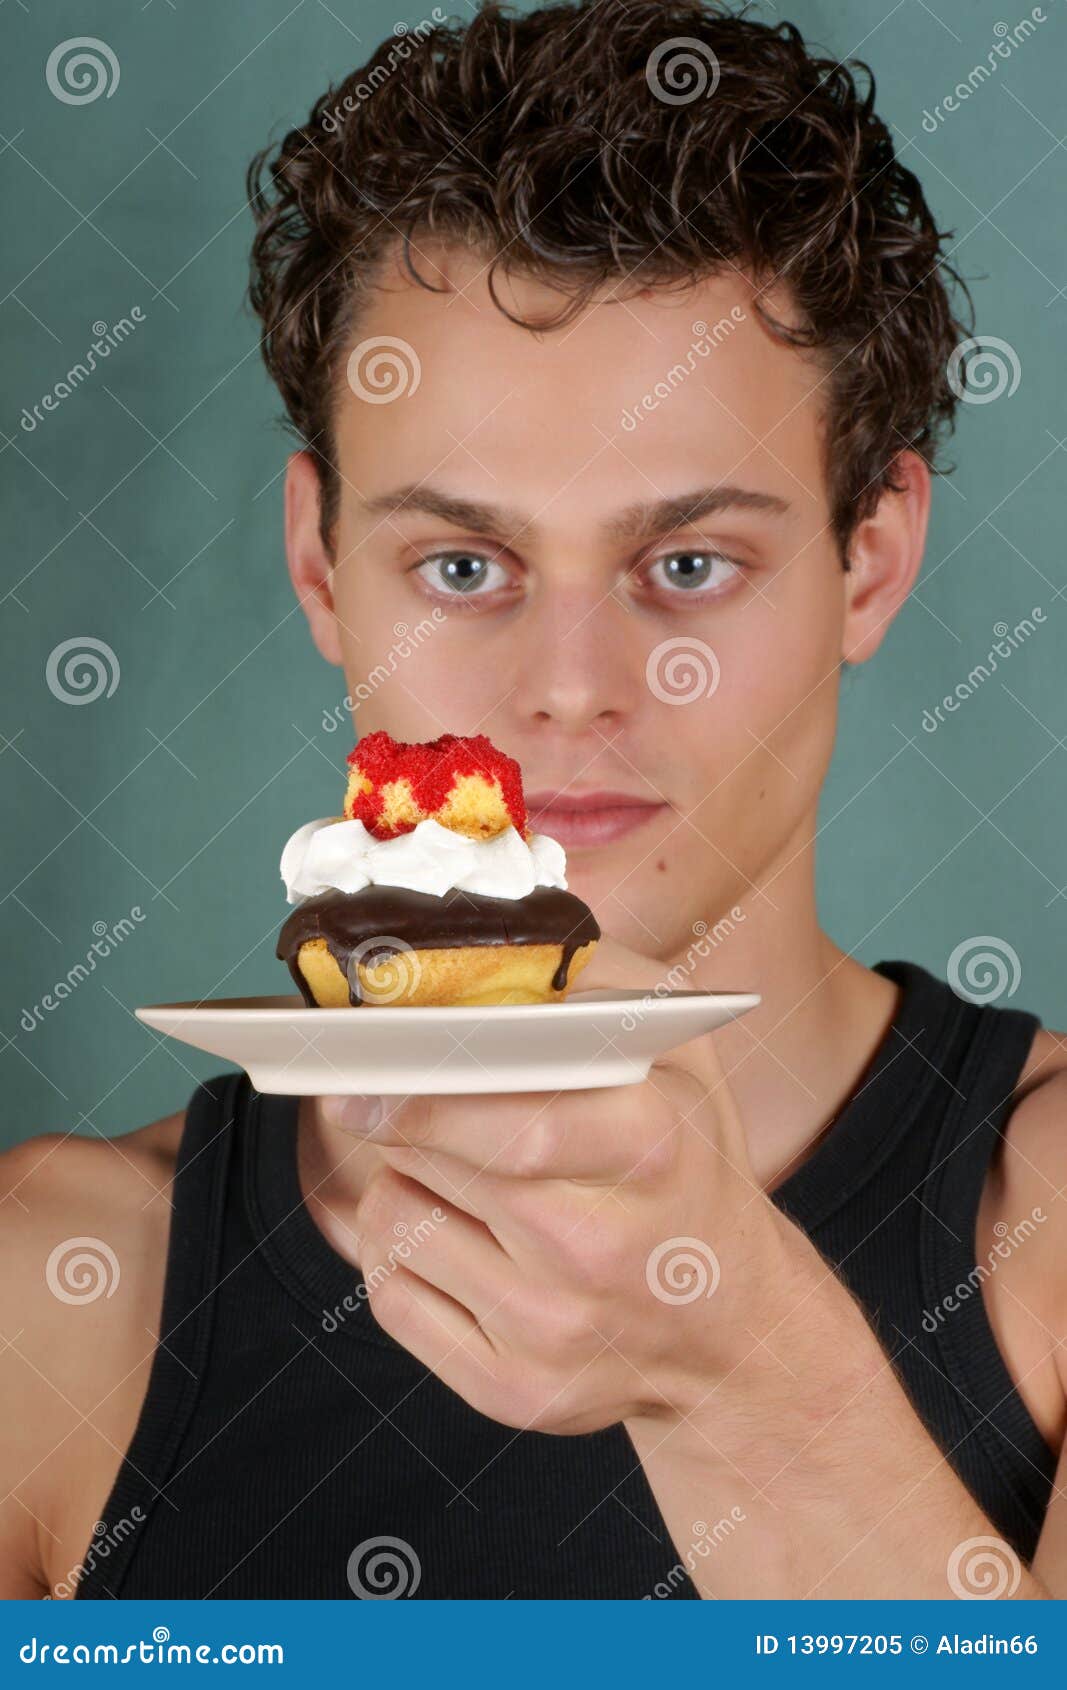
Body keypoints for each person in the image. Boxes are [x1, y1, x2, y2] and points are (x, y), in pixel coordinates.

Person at [2, 0, 1064, 1600]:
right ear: (319, 563)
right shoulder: (54, 1291)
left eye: (689, 564)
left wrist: (743, 1368)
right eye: (463, 565)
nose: (572, 684)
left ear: (873, 555)